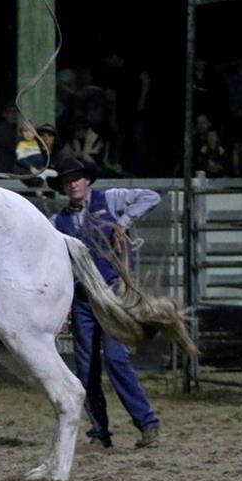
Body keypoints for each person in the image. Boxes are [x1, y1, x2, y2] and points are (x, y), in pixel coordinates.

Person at [50, 154, 163, 449]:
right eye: (67, 180)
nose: (73, 184)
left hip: (111, 293)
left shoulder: (109, 200)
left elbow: (151, 196)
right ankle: (100, 432)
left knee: (115, 358)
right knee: (86, 367)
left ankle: (147, 423)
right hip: (83, 299)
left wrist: (123, 223)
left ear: (87, 180)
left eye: (76, 178)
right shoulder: (57, 222)